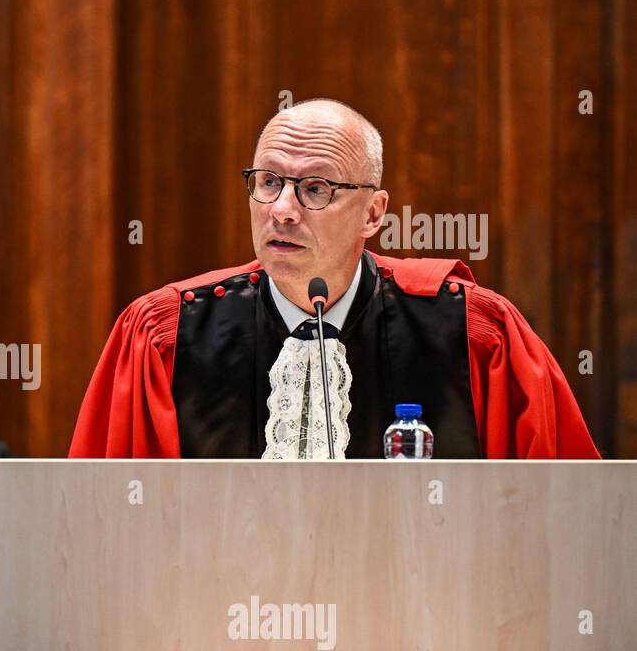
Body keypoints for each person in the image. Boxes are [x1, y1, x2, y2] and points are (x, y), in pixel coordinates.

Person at [70, 99, 599, 460]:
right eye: (269, 182)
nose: (281, 210)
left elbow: (557, 514)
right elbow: (106, 523)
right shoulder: (165, 336)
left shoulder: (474, 334)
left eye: (316, 189)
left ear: (373, 214)